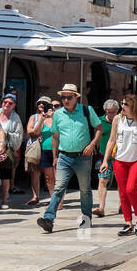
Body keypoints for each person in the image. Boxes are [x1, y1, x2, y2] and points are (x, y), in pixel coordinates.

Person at [36, 84, 102, 234]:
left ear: (76, 97)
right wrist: (54, 156)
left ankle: (86, 219)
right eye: (63, 97)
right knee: (58, 188)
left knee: (84, 189)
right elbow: (55, 136)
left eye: (69, 97)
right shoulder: (58, 115)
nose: (65, 100)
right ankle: (48, 219)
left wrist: (92, 144)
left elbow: (99, 128)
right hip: (64, 156)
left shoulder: (87, 110)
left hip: (83, 157)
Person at [99, 94, 137, 236]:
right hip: (120, 160)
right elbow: (111, 140)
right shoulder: (118, 120)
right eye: (122, 103)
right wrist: (105, 160)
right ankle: (127, 223)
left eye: (125, 104)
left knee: (131, 189)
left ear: (134, 106)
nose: (122, 107)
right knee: (123, 192)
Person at [0, 92, 23, 210]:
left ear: (14, 105)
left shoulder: (16, 118)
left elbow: (18, 135)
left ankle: (4, 201)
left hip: (7, 150)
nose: (7, 104)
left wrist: (6, 135)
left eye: (10, 103)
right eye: (5, 102)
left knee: (5, 177)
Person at [93, 99, 120, 217]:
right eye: (109, 112)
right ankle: (101, 208)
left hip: (120, 156)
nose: (111, 114)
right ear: (105, 111)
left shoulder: (122, 121)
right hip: (104, 156)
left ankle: (122, 205)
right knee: (102, 180)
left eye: (113, 112)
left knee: (121, 181)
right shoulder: (100, 121)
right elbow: (97, 136)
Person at [25, 96, 50, 205]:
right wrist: (41, 120)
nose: (41, 105)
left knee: (49, 173)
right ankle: (35, 196)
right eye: (39, 103)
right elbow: (32, 132)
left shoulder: (52, 117)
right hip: (35, 146)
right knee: (34, 172)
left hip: (47, 146)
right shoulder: (33, 117)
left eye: (44, 103)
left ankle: (52, 196)